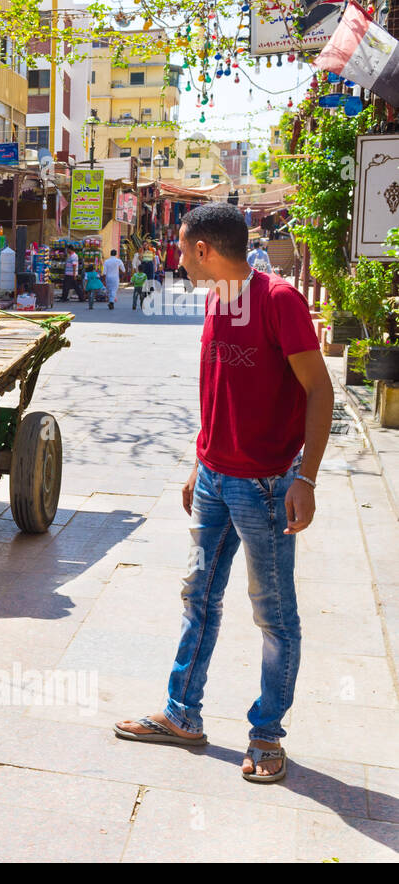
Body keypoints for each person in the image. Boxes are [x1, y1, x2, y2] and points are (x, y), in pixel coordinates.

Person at [114, 202, 332, 784]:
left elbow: (320, 392)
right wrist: (198, 463)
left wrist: (305, 478)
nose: (177, 259)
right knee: (198, 595)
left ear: (205, 251)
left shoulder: (279, 301)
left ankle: (266, 734)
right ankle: (182, 713)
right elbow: (221, 391)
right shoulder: (218, 297)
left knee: (273, 614)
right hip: (213, 477)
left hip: (265, 485)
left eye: (183, 249)